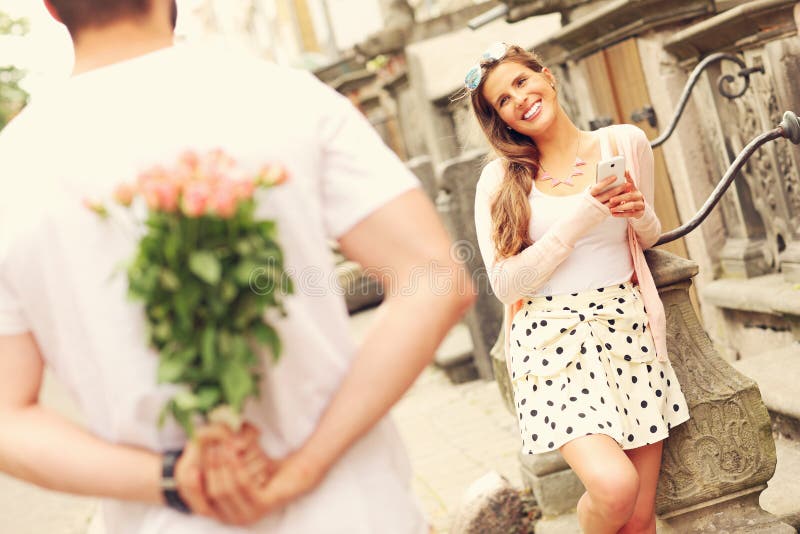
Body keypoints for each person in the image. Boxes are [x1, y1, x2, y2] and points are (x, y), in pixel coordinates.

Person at [0, 1, 474, 532]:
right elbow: (436, 279)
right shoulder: (283, 98)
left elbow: (7, 419)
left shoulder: (12, 170)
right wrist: (304, 465)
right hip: (348, 508)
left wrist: (176, 479)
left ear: (50, 7)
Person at [468, 43, 690, 534]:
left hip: (627, 330)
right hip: (551, 344)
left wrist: (638, 211)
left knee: (637, 520)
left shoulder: (624, 142)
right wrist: (584, 214)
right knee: (613, 489)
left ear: (547, 76)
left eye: (521, 83)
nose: (518, 100)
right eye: (503, 101)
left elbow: (648, 235)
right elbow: (506, 284)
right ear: (500, 120)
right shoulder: (500, 181)